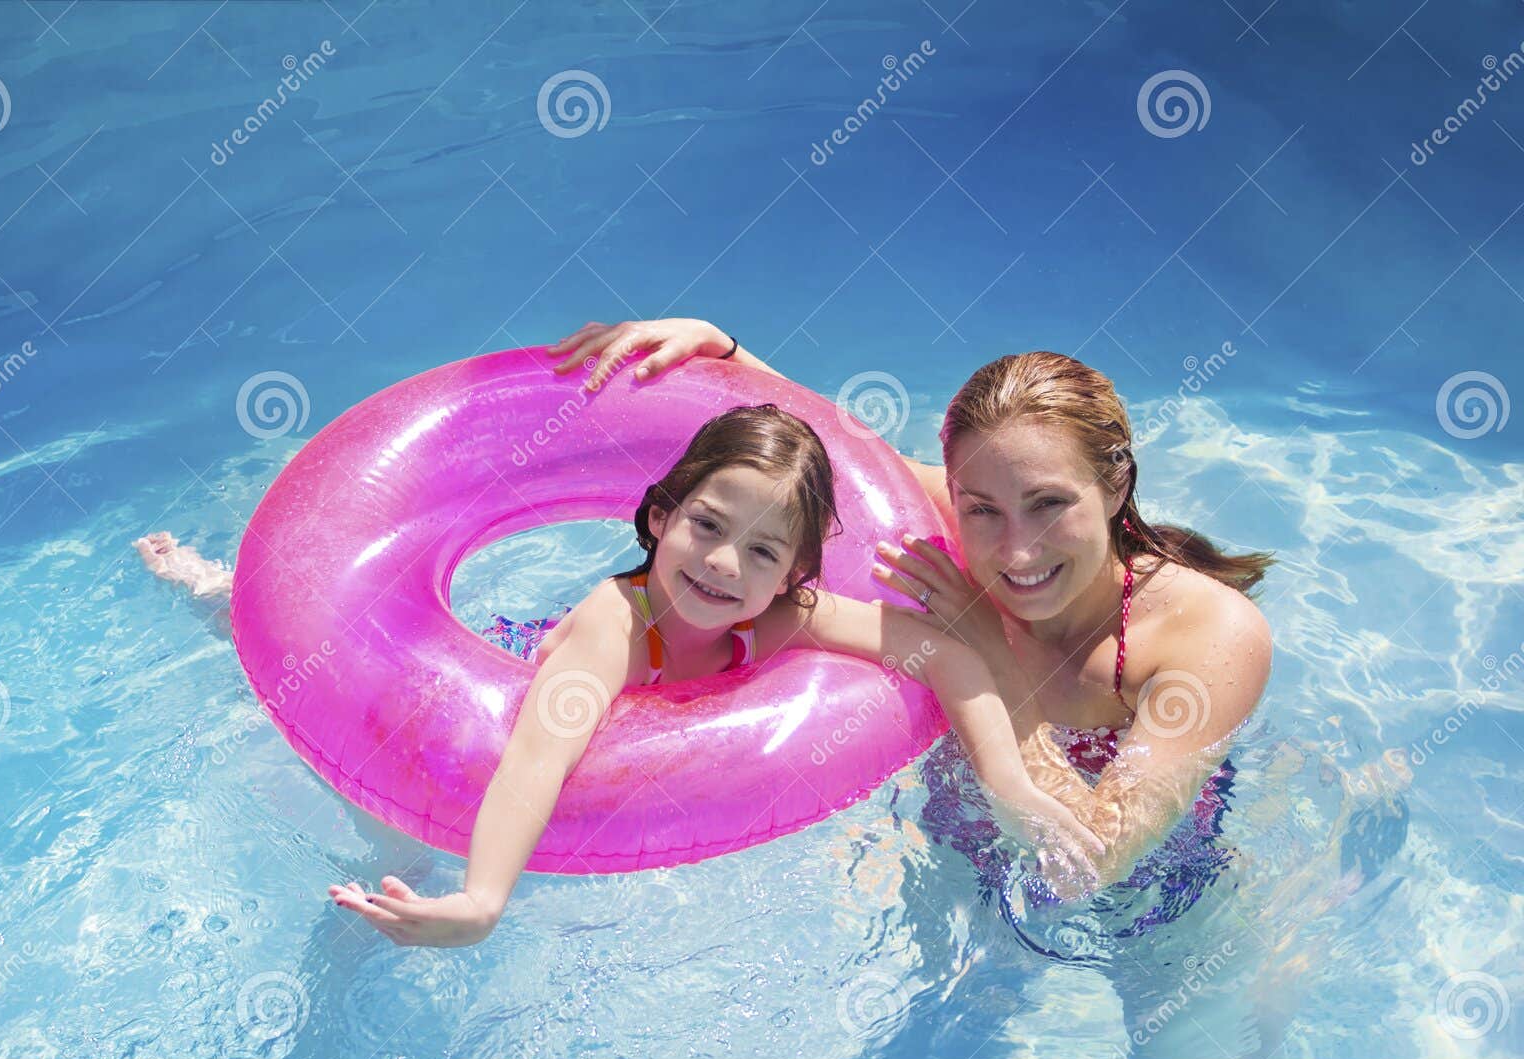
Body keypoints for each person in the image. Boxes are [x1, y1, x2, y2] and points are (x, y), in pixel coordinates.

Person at [140, 403, 1104, 947]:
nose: (726, 565)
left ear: (798, 575)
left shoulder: (789, 615)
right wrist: (483, 899)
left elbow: (944, 650)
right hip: (499, 687)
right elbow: (538, 750)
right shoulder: (616, 620)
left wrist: (1010, 780)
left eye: (765, 552)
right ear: (658, 518)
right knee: (312, 696)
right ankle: (210, 586)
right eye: (708, 526)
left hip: (648, 714)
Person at [546, 320, 1274, 890]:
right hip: (956, 841)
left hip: (1157, 902)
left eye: (1049, 504)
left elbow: (1091, 862)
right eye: (981, 509)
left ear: (1115, 486)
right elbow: (841, 455)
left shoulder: (1207, 633)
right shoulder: (957, 526)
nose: (1017, 551)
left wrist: (986, 646)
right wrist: (724, 346)